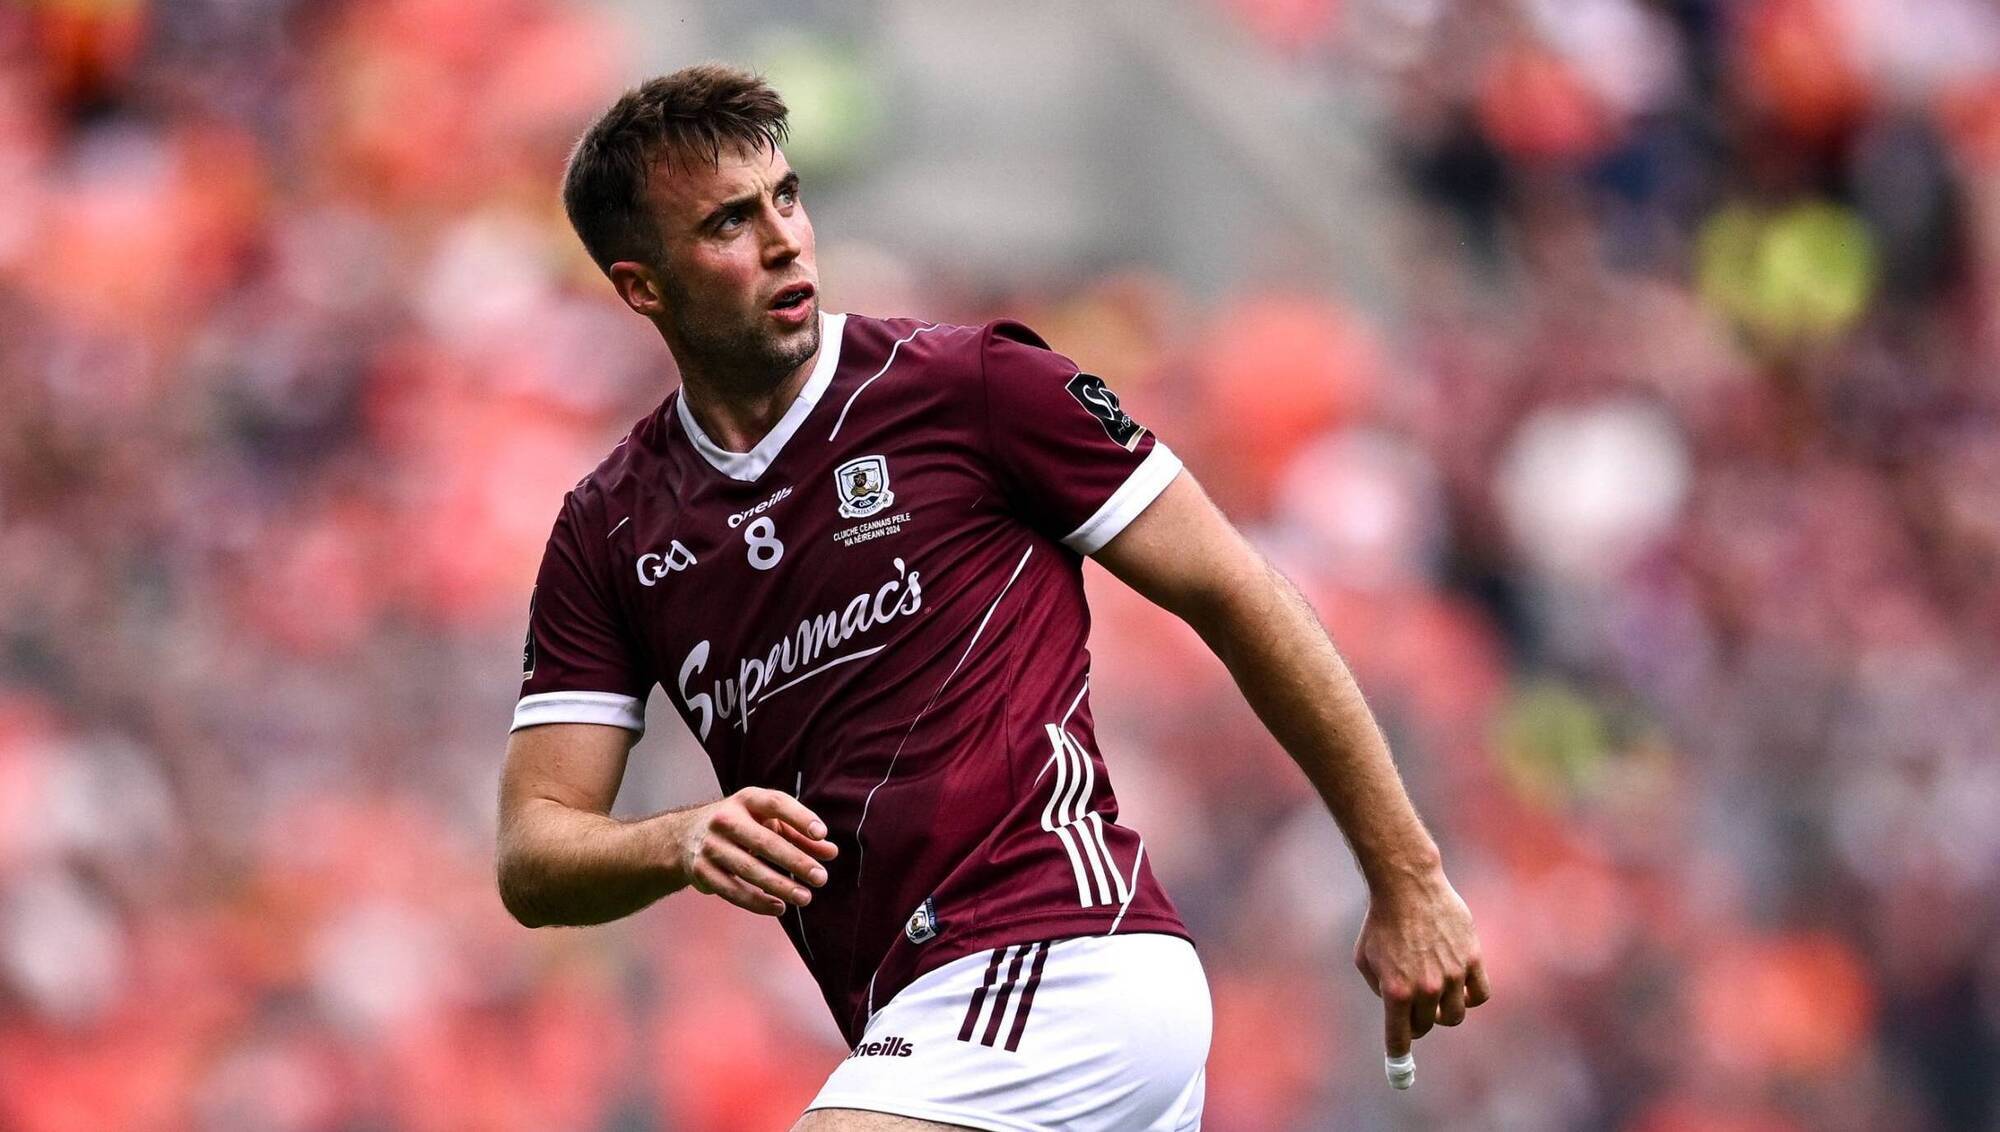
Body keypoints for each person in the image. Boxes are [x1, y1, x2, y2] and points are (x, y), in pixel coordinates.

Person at [495, 64, 1488, 1132]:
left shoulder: (972, 388)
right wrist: (680, 839)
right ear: (642, 287)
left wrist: (1406, 876)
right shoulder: (610, 530)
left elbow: (1235, 590)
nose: (784, 240)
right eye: (730, 222)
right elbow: (534, 850)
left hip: (1063, 956)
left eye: (787, 197)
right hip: (919, 1011)